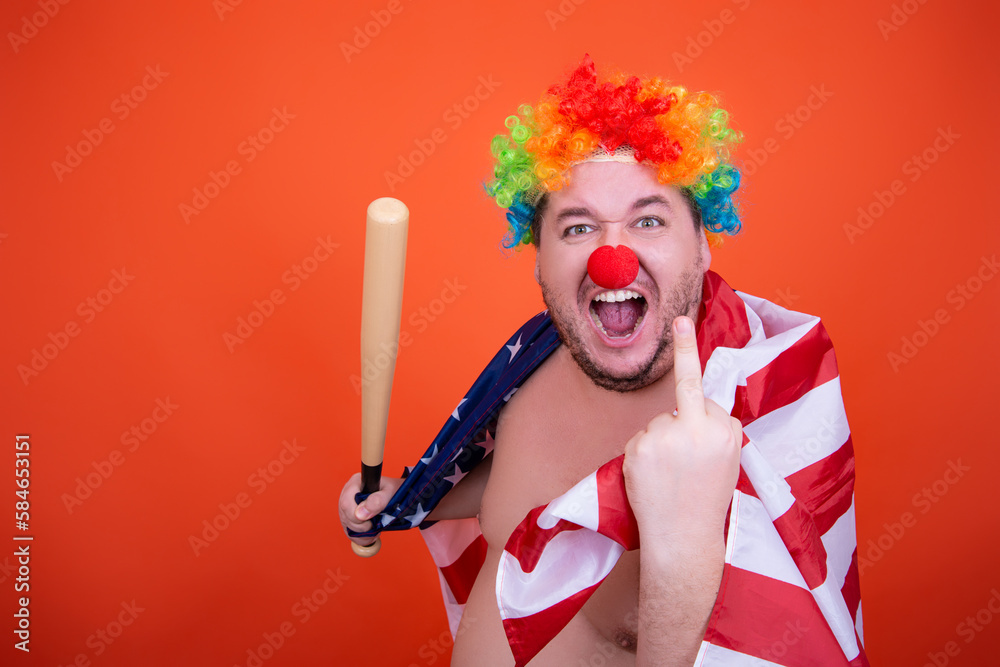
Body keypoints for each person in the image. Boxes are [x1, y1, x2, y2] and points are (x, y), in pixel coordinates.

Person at [339, 55, 867, 666]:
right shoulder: (529, 364)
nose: (610, 258)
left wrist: (681, 544)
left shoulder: (763, 407)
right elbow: (520, 490)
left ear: (701, 243)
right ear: (538, 256)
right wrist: (405, 498)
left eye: (648, 219)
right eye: (577, 228)